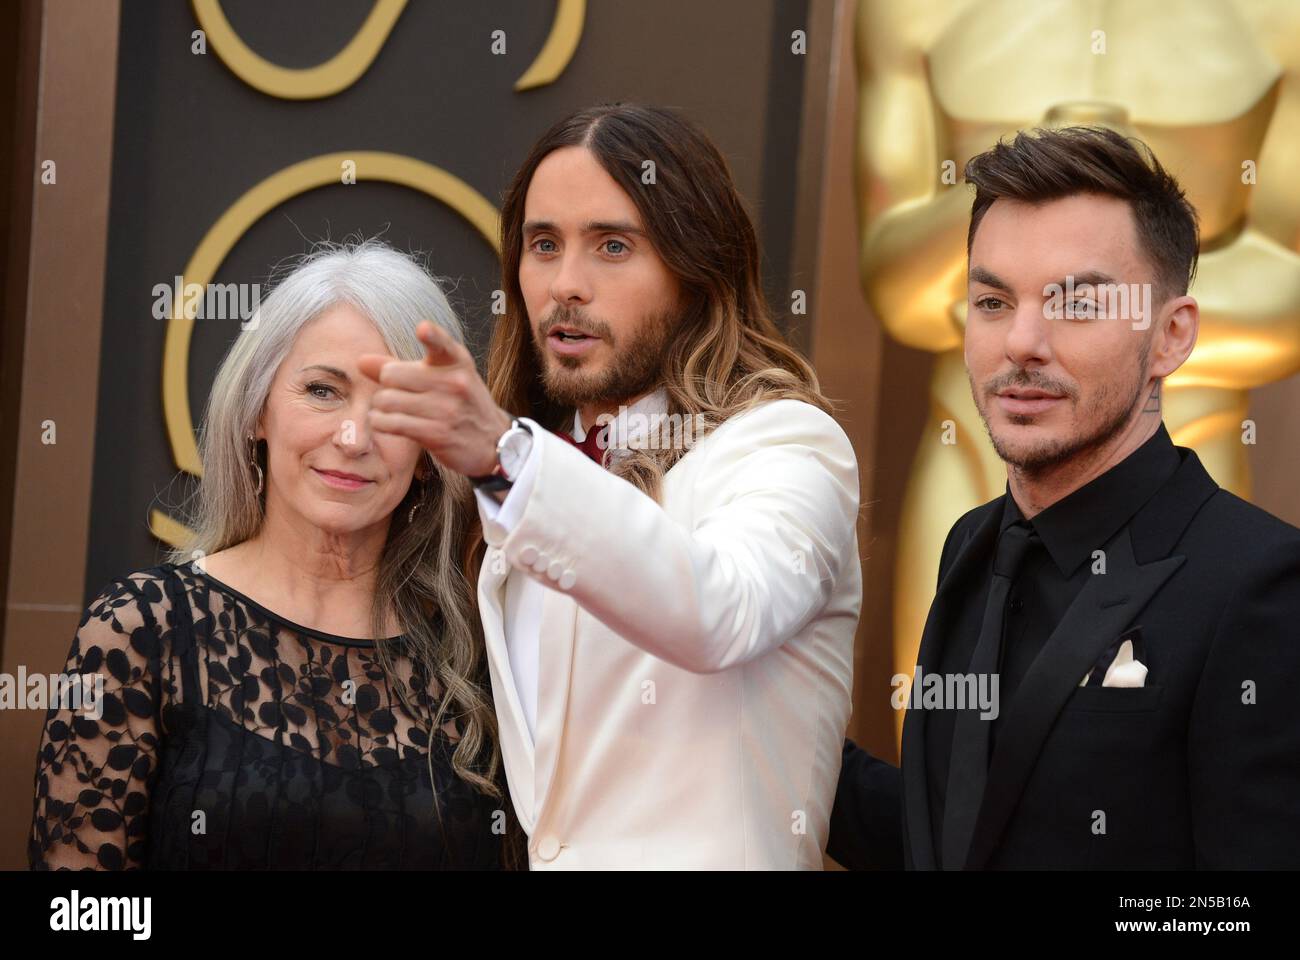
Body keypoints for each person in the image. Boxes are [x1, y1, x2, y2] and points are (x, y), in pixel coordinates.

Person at [357, 103, 862, 869]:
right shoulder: (527, 473)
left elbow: (718, 610)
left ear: (696, 273)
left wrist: (503, 458)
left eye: (613, 246)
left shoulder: (785, 443)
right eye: (543, 245)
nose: (566, 285)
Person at [830, 126, 1300, 870]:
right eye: (991, 300)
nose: (1022, 341)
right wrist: (759, 729)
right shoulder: (972, 545)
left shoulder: (1262, 584)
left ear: (1172, 337)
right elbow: (958, 838)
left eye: (1075, 303)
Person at [30, 240, 516, 869]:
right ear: (258, 411)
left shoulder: (475, 652)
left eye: (395, 409)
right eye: (322, 391)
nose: (354, 436)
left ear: (431, 450)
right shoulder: (140, 632)